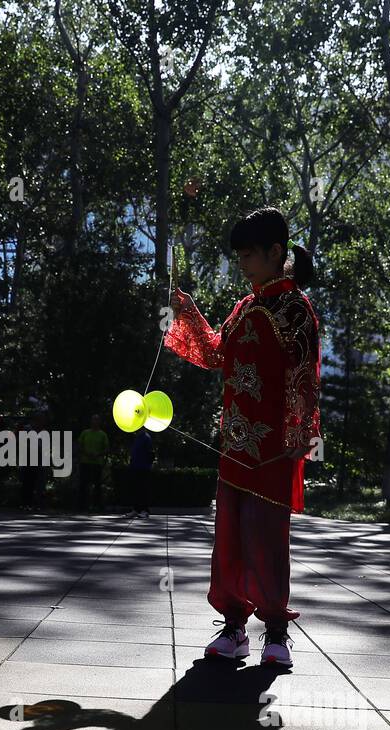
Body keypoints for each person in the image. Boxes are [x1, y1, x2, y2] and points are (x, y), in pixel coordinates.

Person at [165, 206, 321, 667]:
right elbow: (216, 353)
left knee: (268, 538)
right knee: (230, 538)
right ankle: (234, 628)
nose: (242, 262)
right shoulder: (245, 307)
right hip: (234, 443)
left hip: (274, 445)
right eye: (239, 255)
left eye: (249, 254)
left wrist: (300, 432)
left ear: (276, 252)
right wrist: (188, 313)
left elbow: (304, 375)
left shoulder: (295, 308)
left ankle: (275, 633)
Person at [77, 414, 109, 511]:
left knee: (97, 485)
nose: (95, 422)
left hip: (97, 463)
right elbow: (79, 445)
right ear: (91, 421)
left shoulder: (103, 435)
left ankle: (97, 506)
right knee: (83, 484)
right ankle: (82, 506)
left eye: (97, 420)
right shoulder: (85, 433)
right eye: (93, 420)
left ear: (99, 422)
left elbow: (107, 449)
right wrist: (86, 453)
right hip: (85, 462)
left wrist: (98, 454)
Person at [128, 429, 154, 518]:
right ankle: (136, 509)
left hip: (144, 467)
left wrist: (148, 465)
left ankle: (145, 510)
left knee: (144, 489)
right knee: (136, 489)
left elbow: (150, 453)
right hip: (136, 467)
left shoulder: (146, 437)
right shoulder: (137, 437)